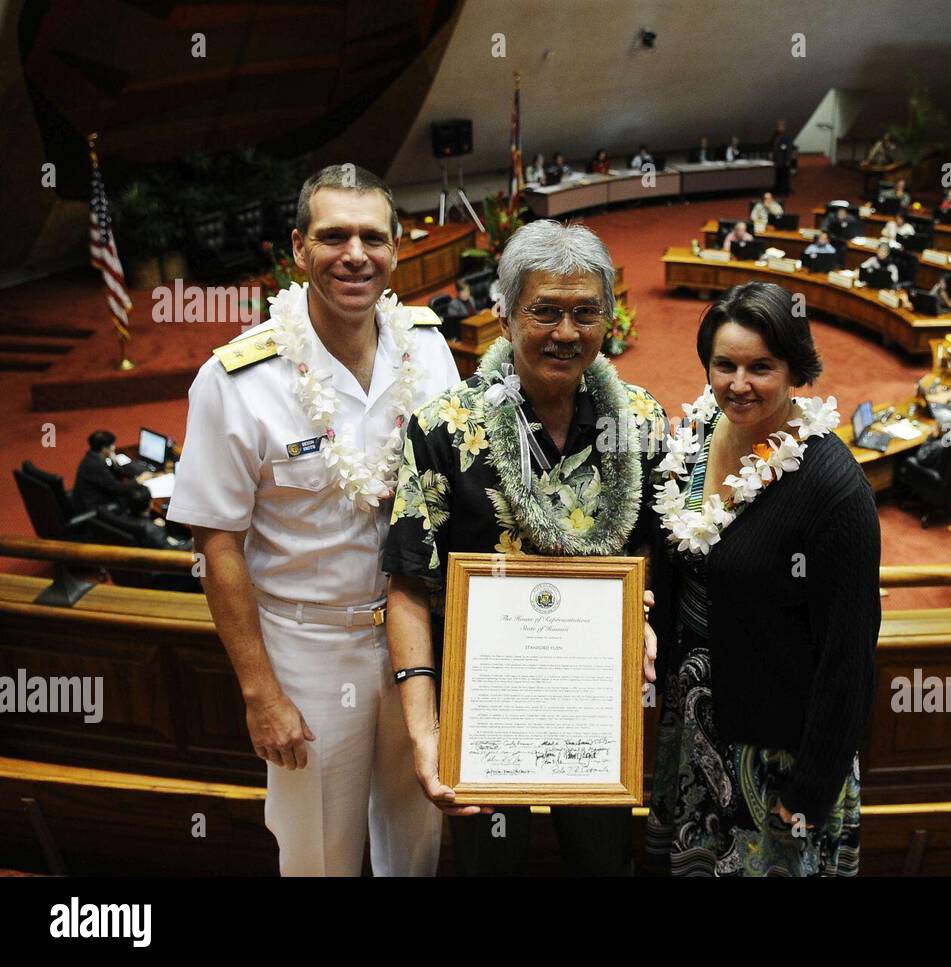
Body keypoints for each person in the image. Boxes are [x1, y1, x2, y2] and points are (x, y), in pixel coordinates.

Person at [165, 164, 460, 877]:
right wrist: (261, 692)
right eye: (333, 237)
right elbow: (217, 543)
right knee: (317, 855)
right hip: (309, 648)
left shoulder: (429, 347)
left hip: (417, 636)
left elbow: (461, 489)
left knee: (420, 839)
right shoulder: (238, 379)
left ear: (396, 249)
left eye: (372, 237)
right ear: (298, 249)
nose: (354, 254)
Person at [382, 220, 667, 876]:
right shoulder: (445, 429)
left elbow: (653, 546)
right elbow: (406, 583)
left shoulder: (642, 422)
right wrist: (425, 734)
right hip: (485, 712)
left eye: (585, 311)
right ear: (504, 315)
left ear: (609, 318)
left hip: (597, 708)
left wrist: (643, 615)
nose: (566, 333)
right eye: (544, 311)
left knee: (603, 865)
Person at [646, 280, 880, 876]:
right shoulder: (694, 439)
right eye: (724, 365)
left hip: (776, 752)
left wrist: (808, 790)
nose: (738, 384)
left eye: (761, 367)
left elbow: (847, 657)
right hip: (695, 731)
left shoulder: (833, 489)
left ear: (795, 368)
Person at [72, 430, 141, 514]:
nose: (114, 447)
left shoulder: (92, 457)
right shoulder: (96, 465)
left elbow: (114, 477)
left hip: (88, 497)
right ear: (104, 448)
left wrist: (114, 463)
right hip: (91, 506)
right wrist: (139, 480)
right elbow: (117, 488)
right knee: (134, 496)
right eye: (112, 445)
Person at [770, 120, 793, 196]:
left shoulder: (786, 136)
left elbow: (788, 148)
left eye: (780, 126)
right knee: (778, 176)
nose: (778, 128)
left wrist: (787, 160)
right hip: (777, 160)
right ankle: (778, 190)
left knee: (784, 177)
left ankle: (784, 191)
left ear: (783, 127)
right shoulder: (775, 135)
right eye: (778, 126)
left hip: (783, 160)